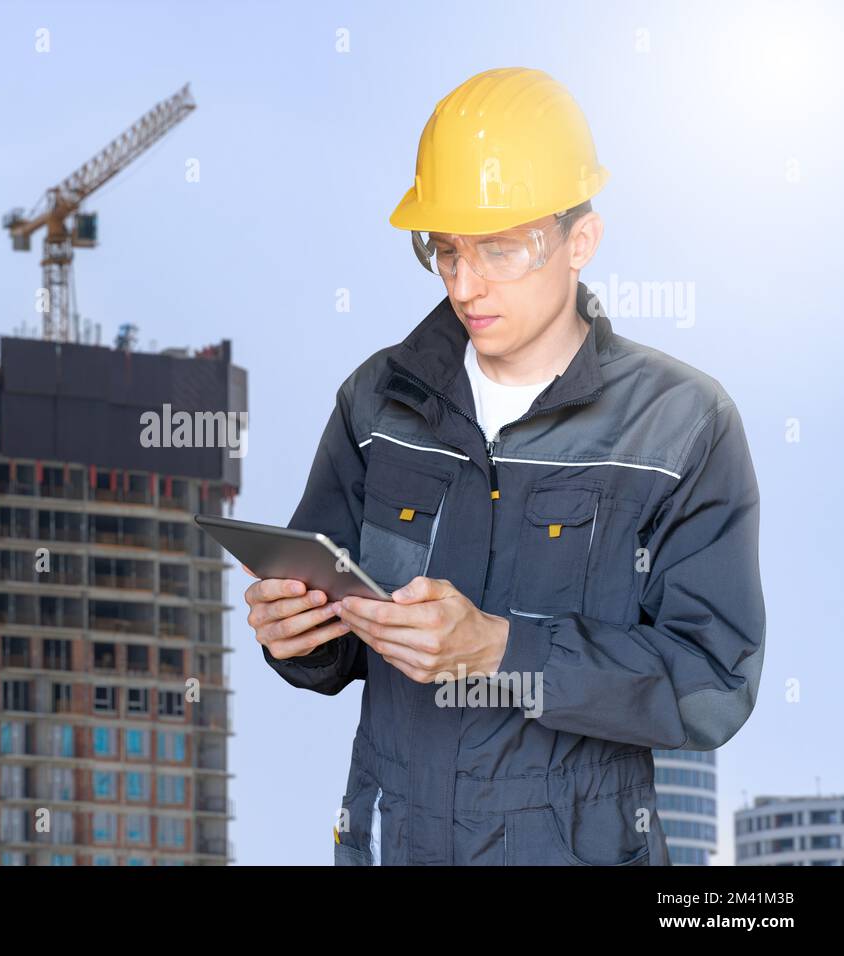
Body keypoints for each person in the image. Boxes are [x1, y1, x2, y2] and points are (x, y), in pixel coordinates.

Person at [245, 67, 765, 865]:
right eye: (445, 250)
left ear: (579, 241)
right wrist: (299, 636)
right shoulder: (379, 403)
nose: (465, 282)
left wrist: (503, 652)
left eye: (499, 248)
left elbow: (712, 685)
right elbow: (338, 633)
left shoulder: (681, 425)